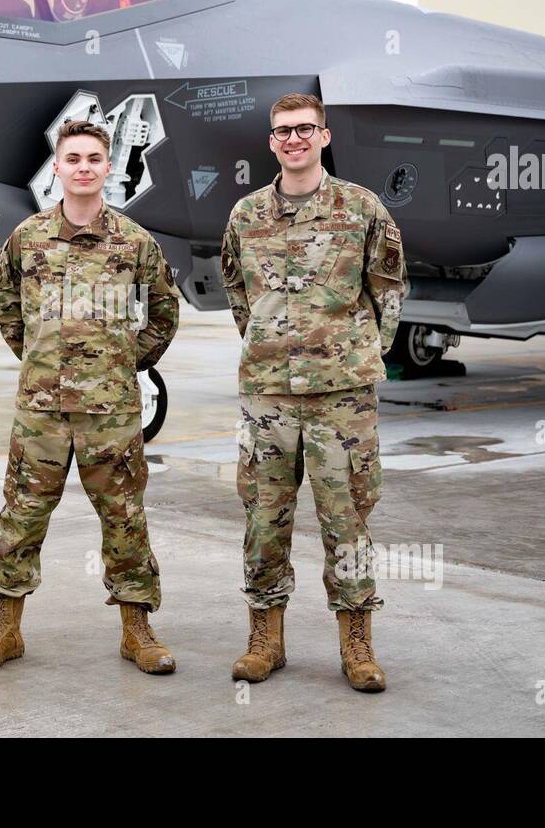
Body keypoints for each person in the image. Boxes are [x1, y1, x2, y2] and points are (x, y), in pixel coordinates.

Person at [0, 120, 181, 675]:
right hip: (41, 413)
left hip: (112, 414)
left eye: (93, 158)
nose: (83, 167)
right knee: (21, 517)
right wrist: (38, 359)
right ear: (56, 168)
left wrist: (123, 362)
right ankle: (5, 629)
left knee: (124, 517)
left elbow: (163, 311)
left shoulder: (134, 242)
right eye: (72, 158)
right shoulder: (28, 238)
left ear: (109, 168)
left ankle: (138, 630)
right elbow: (7, 306)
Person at [220, 93, 406, 691]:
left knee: (346, 519)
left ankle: (357, 643)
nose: (293, 139)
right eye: (282, 132)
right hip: (268, 395)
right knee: (263, 519)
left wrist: (356, 352)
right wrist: (273, 345)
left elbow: (389, 287)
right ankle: (265, 638)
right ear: (271, 142)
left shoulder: (361, 208)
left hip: (341, 398)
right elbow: (237, 291)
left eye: (304, 129)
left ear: (324, 137)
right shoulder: (246, 215)